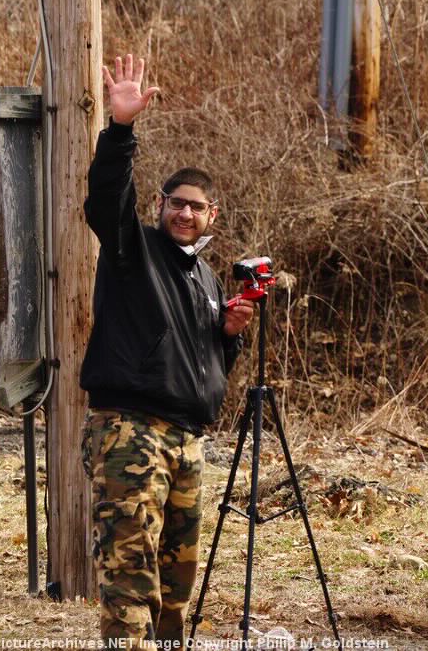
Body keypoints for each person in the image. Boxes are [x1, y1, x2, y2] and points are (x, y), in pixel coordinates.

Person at [80, 54, 255, 648]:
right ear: (160, 205)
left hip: (187, 439)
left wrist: (227, 338)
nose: (183, 213)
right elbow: (106, 200)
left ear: (212, 215)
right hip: (131, 432)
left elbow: (202, 370)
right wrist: (121, 129)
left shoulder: (205, 280)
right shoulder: (134, 250)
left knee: (176, 586)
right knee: (130, 576)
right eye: (174, 202)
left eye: (195, 206)